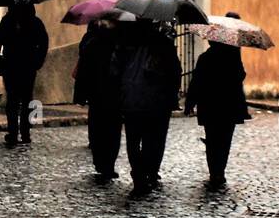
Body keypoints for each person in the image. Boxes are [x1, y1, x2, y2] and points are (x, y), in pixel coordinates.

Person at [112, 20, 181, 197]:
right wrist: (172, 96)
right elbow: (175, 72)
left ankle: (138, 174)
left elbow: (115, 70)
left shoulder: (125, 41)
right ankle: (148, 171)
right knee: (153, 139)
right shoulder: (163, 42)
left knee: (133, 139)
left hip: (130, 98)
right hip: (157, 100)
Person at [185, 14, 250, 190]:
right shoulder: (233, 58)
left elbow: (196, 81)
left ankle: (214, 171)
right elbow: (240, 76)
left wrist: (190, 103)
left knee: (212, 139)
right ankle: (219, 171)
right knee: (224, 140)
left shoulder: (206, 58)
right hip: (229, 105)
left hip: (210, 105)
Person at [73, 14, 124, 182]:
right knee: (112, 130)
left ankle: (102, 162)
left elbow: (84, 68)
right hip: (111, 93)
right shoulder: (118, 43)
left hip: (98, 93)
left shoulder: (92, 42)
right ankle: (108, 163)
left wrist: (82, 93)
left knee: (99, 128)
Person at [0, 1, 49, 147]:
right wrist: (38, 61)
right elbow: (44, 43)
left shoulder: (8, 20)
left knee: (12, 100)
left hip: (12, 65)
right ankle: (25, 133)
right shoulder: (36, 22)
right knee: (27, 100)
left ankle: (13, 133)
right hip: (28, 66)